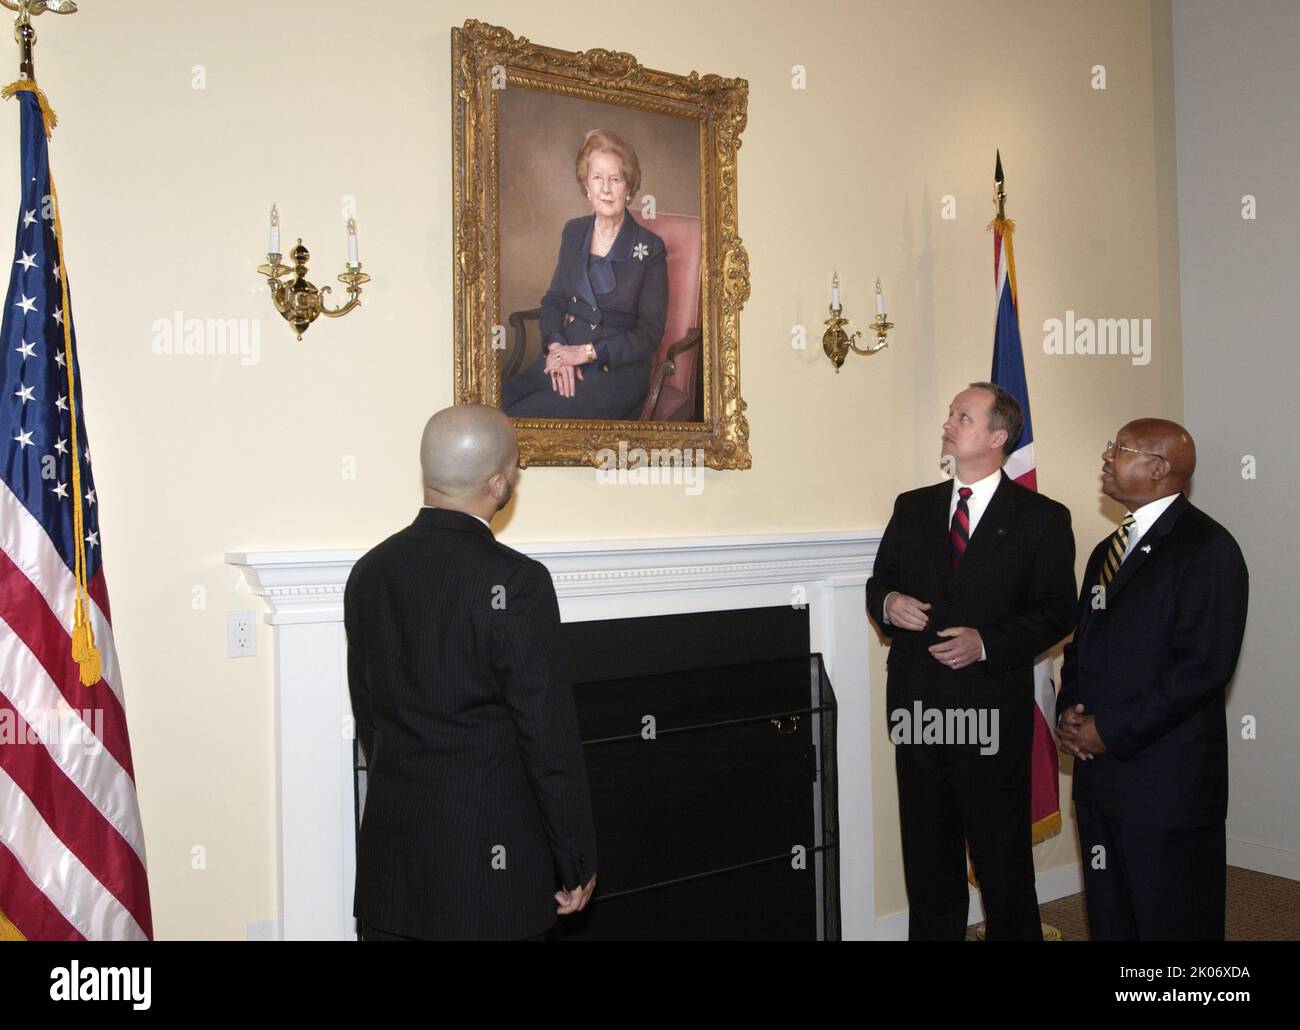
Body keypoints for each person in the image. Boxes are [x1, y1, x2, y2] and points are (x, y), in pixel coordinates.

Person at [344, 403, 598, 940]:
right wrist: (575, 859)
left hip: (393, 872)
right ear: (498, 483)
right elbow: (547, 740)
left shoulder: (368, 573)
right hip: (487, 885)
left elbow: (370, 722)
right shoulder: (519, 583)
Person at [865, 382, 1076, 940]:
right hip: (917, 712)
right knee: (928, 863)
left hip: (989, 715)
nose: (948, 422)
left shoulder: (1042, 518)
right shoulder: (913, 507)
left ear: (999, 436)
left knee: (1002, 863)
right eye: (951, 413)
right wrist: (889, 603)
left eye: (963, 416)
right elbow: (878, 582)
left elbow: (1058, 612)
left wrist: (986, 642)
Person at [1057, 419, 1248, 940]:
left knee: (1173, 924)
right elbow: (1083, 646)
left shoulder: (1208, 549)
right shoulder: (1106, 550)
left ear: (1160, 469)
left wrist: (1110, 729)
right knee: (1112, 917)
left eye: (1120, 448)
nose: (1106, 455)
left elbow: (1201, 669)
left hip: (1167, 783)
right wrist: (1070, 711)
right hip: (1102, 780)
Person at [502, 128, 668, 420]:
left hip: (615, 371)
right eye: (597, 178)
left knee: (530, 421)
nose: (606, 189)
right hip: (562, 358)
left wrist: (585, 353)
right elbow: (554, 298)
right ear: (586, 187)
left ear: (628, 188)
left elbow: (648, 336)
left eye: (615, 179)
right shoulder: (574, 231)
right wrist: (557, 347)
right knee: (498, 408)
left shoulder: (650, 248)